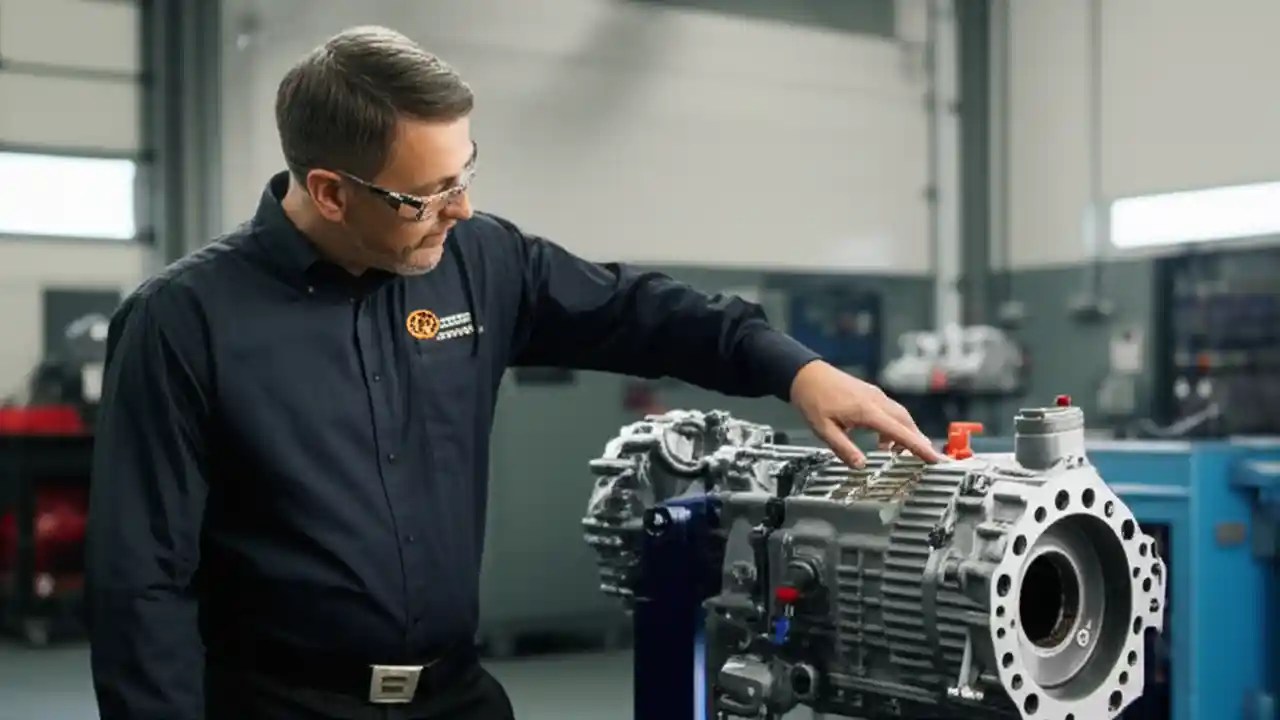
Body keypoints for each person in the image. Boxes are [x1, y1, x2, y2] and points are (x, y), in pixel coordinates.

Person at [86, 25, 941, 720]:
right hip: (278, 705)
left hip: (454, 696)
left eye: (466, 174)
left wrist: (797, 370)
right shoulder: (183, 323)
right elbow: (141, 584)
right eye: (429, 194)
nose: (459, 209)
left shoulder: (479, 261)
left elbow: (638, 310)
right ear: (332, 192)